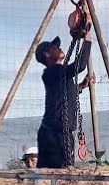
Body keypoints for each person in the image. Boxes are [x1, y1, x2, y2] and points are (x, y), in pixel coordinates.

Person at [35, 29, 91, 169]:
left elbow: (65, 94)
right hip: (54, 135)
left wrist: (82, 86)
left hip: (59, 134)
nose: (59, 47)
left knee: (59, 176)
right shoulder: (53, 72)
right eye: (55, 47)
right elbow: (81, 65)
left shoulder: (58, 75)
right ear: (47, 54)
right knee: (57, 176)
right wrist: (88, 38)